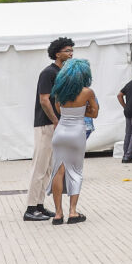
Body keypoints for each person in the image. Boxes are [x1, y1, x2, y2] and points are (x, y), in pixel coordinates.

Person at [24, 37, 74, 222]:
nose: (71, 53)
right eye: (67, 50)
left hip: (57, 124)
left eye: (72, 50)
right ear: (57, 53)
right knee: (39, 165)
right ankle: (30, 208)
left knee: (48, 168)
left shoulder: (62, 73)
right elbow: (44, 99)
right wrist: (55, 120)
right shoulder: (48, 73)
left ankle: (39, 205)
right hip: (46, 124)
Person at [49, 58, 99, 224]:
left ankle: (57, 214)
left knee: (58, 171)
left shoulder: (59, 91)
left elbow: (59, 111)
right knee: (75, 172)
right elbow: (94, 113)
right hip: (77, 132)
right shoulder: (87, 92)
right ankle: (72, 212)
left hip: (60, 132)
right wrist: (81, 111)